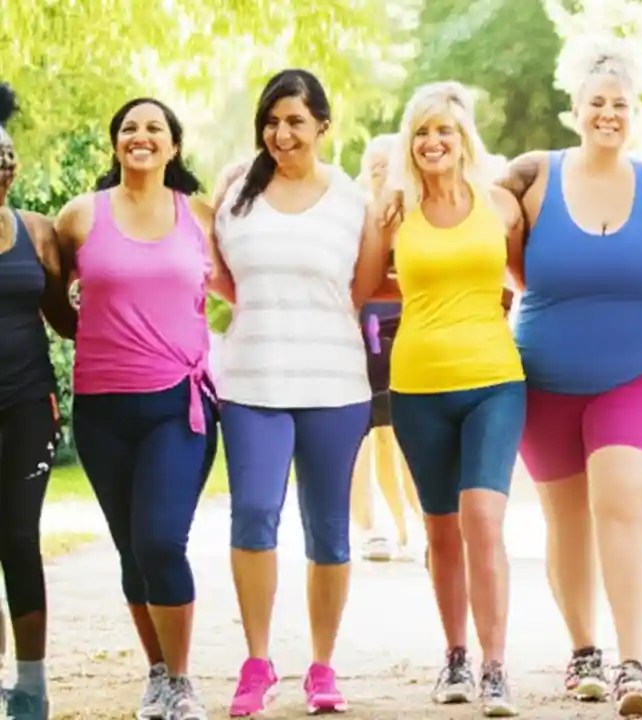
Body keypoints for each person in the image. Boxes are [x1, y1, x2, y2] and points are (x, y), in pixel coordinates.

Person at [496, 37, 642, 717]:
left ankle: (636, 664)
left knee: (624, 502)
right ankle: (585, 651)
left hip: (638, 372)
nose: (609, 113)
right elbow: (496, 234)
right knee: (566, 521)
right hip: (544, 377)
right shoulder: (534, 174)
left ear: (634, 113)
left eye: (621, 104)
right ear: (574, 110)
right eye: (596, 103)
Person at [211, 69, 385, 717]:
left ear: (322, 126)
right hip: (254, 381)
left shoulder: (351, 199)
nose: (281, 134)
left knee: (329, 532)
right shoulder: (236, 194)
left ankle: (322, 667)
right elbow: (222, 278)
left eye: (295, 121)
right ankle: (257, 663)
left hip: (335, 385)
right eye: (272, 120)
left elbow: (361, 288)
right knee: (254, 514)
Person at [53, 96, 219, 720]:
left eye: (154, 128)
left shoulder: (198, 215)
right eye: (128, 127)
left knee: (159, 542)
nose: (140, 136)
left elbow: (237, 283)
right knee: (130, 549)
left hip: (177, 405)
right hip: (100, 409)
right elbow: (52, 293)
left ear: (173, 146)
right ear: (115, 143)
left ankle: (181, 680)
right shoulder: (79, 217)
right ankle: (156, 673)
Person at [377, 80, 527, 717]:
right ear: (409, 143)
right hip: (417, 387)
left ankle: (496, 667)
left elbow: (521, 279)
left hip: (494, 379)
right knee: (441, 530)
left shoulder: (499, 205)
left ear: (464, 139)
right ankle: (457, 657)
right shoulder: (392, 212)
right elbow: (367, 287)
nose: (433, 141)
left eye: (445, 130)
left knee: (483, 522)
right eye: (421, 131)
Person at [0, 81, 76, 720]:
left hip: (28, 406)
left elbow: (69, 321)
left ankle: (32, 687)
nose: (3, 162)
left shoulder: (37, 232)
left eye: (6, 152)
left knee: (18, 536)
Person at [352, 133, 422, 563]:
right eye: (373, 163)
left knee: (402, 432)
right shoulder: (356, 215)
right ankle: (371, 526)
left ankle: (410, 523)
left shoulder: (416, 216)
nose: (380, 170)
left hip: (409, 329)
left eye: (388, 163)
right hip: (362, 330)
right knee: (365, 431)